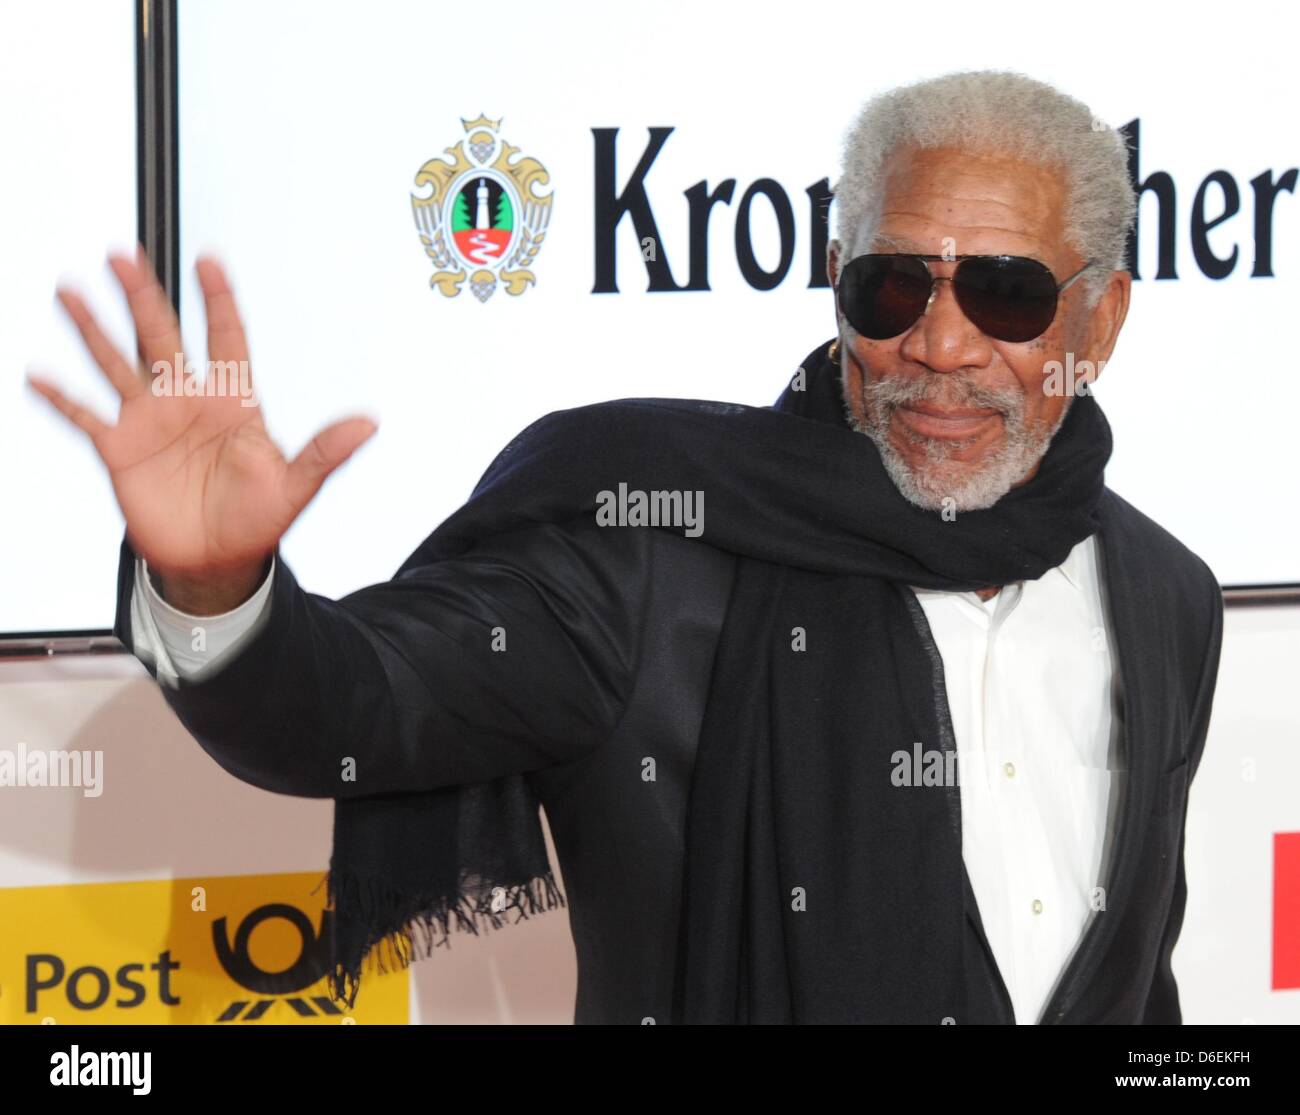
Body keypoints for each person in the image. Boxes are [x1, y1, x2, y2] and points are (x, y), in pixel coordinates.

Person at [30, 70, 1223, 1024]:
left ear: (1101, 316)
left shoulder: (1165, 595)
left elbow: (1132, 974)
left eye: (1008, 295)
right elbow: (352, 710)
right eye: (893, 286)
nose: (942, 345)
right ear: (834, 283)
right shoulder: (653, 546)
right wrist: (215, 583)